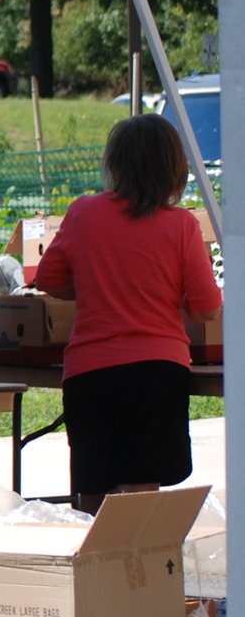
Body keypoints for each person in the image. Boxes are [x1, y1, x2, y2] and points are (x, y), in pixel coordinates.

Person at [30, 114, 220, 512]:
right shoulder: (182, 225)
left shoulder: (83, 213)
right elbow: (206, 309)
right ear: (175, 168)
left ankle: (95, 572)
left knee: (92, 493)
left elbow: (46, 279)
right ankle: (136, 573)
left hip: (90, 374)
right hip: (156, 372)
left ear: (115, 164)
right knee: (139, 497)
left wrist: (92, 288)